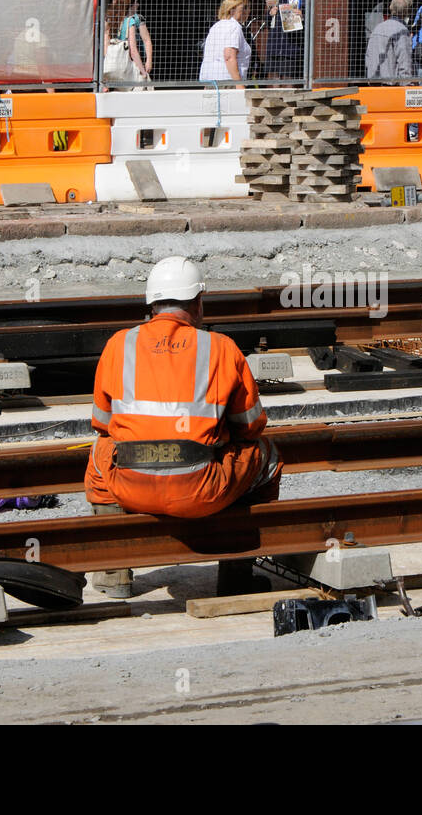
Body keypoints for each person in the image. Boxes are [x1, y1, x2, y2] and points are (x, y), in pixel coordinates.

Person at [84, 256, 282, 598]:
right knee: (265, 454)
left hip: (131, 483)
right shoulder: (221, 348)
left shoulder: (119, 344)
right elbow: (251, 427)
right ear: (198, 303)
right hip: (201, 491)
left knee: (98, 454)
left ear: (150, 303)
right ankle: (236, 573)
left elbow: (102, 424)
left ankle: (114, 573)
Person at [103, 0, 153, 89]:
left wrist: (148, 60)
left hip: (114, 64)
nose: (115, 3)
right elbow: (133, 49)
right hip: (127, 64)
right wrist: (143, 72)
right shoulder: (129, 21)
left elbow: (106, 46)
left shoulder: (111, 20)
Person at [200, 0, 251, 83]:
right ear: (232, 10)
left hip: (210, 80)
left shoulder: (216, 26)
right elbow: (229, 56)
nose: (248, 11)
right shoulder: (233, 27)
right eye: (244, 8)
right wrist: (239, 84)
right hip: (228, 81)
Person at [365, 0, 413, 82]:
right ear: (408, 11)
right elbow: (404, 60)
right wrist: (407, 84)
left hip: (374, 81)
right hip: (391, 84)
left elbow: (368, 56)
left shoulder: (377, 28)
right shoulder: (401, 30)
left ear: (391, 8)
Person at [266, 0, 304, 82]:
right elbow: (267, 24)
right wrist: (270, 14)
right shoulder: (278, 2)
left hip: (291, 47)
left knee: (289, 78)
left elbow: (310, 25)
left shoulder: (305, 2)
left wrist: (302, 16)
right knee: (275, 78)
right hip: (276, 46)